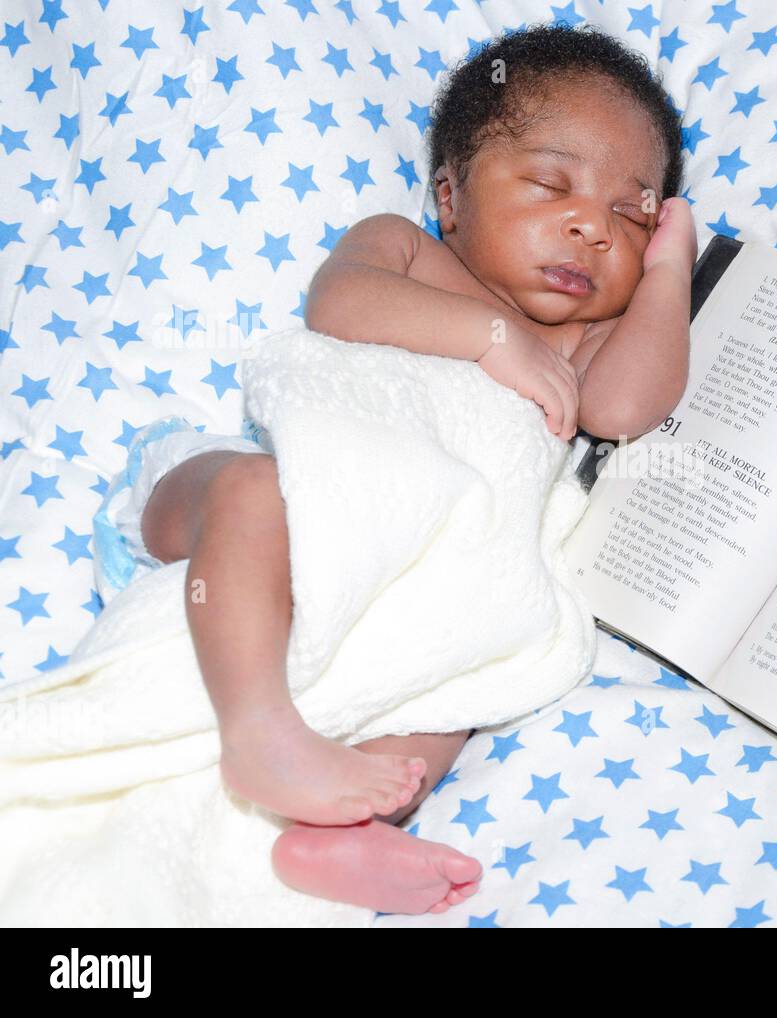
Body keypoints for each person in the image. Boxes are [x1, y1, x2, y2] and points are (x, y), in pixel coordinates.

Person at [91, 23, 695, 915]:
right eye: (550, 183)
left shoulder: (585, 341)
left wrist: (669, 270)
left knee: (482, 656)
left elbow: (625, 408)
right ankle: (257, 725)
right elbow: (339, 303)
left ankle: (350, 835)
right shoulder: (406, 252)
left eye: (630, 213)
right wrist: (495, 340)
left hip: (413, 569)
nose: (590, 227)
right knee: (252, 496)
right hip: (262, 508)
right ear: (449, 196)